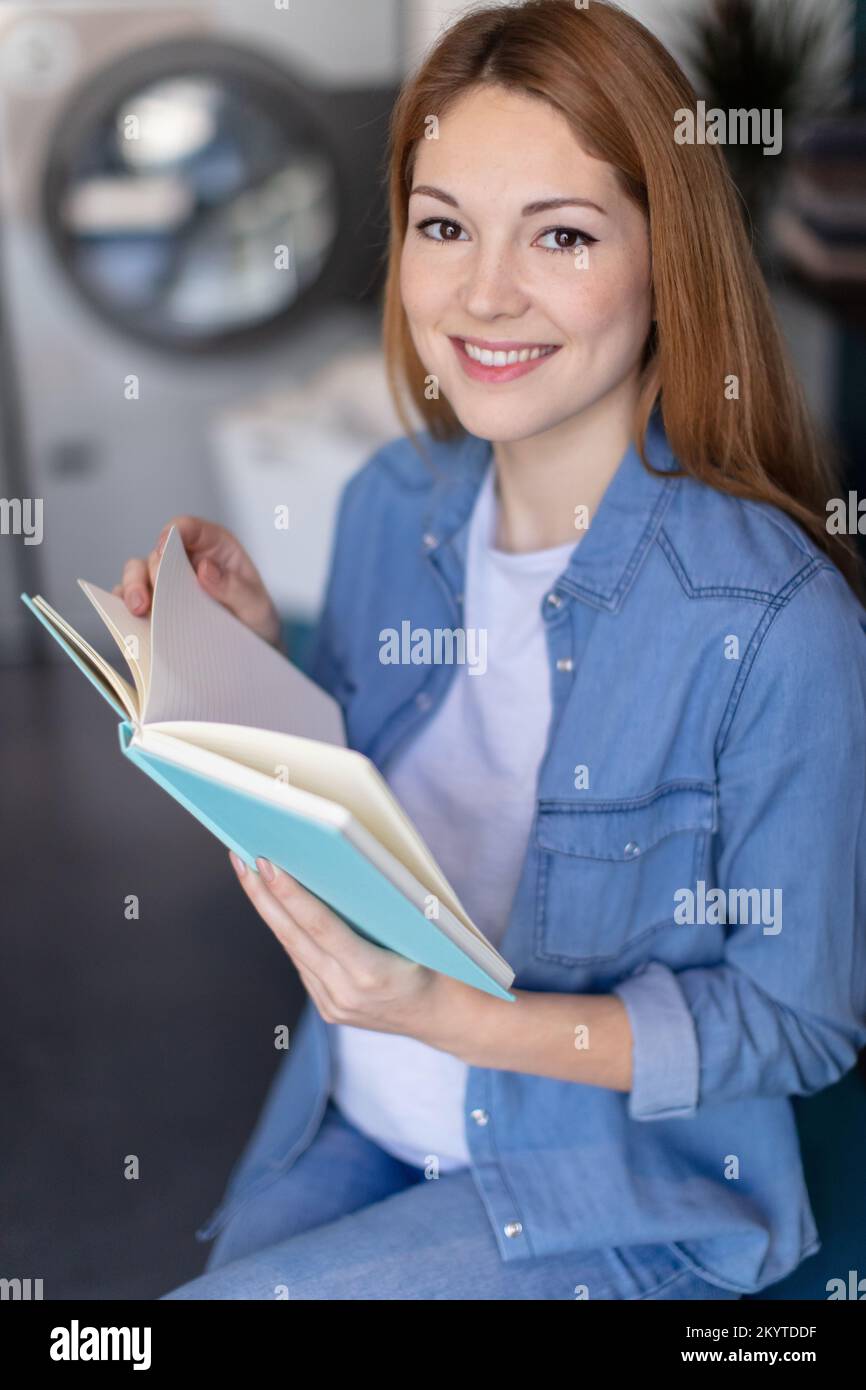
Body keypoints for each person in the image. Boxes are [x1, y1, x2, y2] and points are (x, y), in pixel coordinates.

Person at [119, 0, 866, 1299]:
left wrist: (451, 1017)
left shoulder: (774, 619)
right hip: (351, 1120)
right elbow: (367, 822)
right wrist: (248, 669)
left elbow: (800, 1021)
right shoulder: (386, 506)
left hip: (608, 1205)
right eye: (444, 225)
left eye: (560, 235)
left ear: (665, 261)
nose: (481, 292)